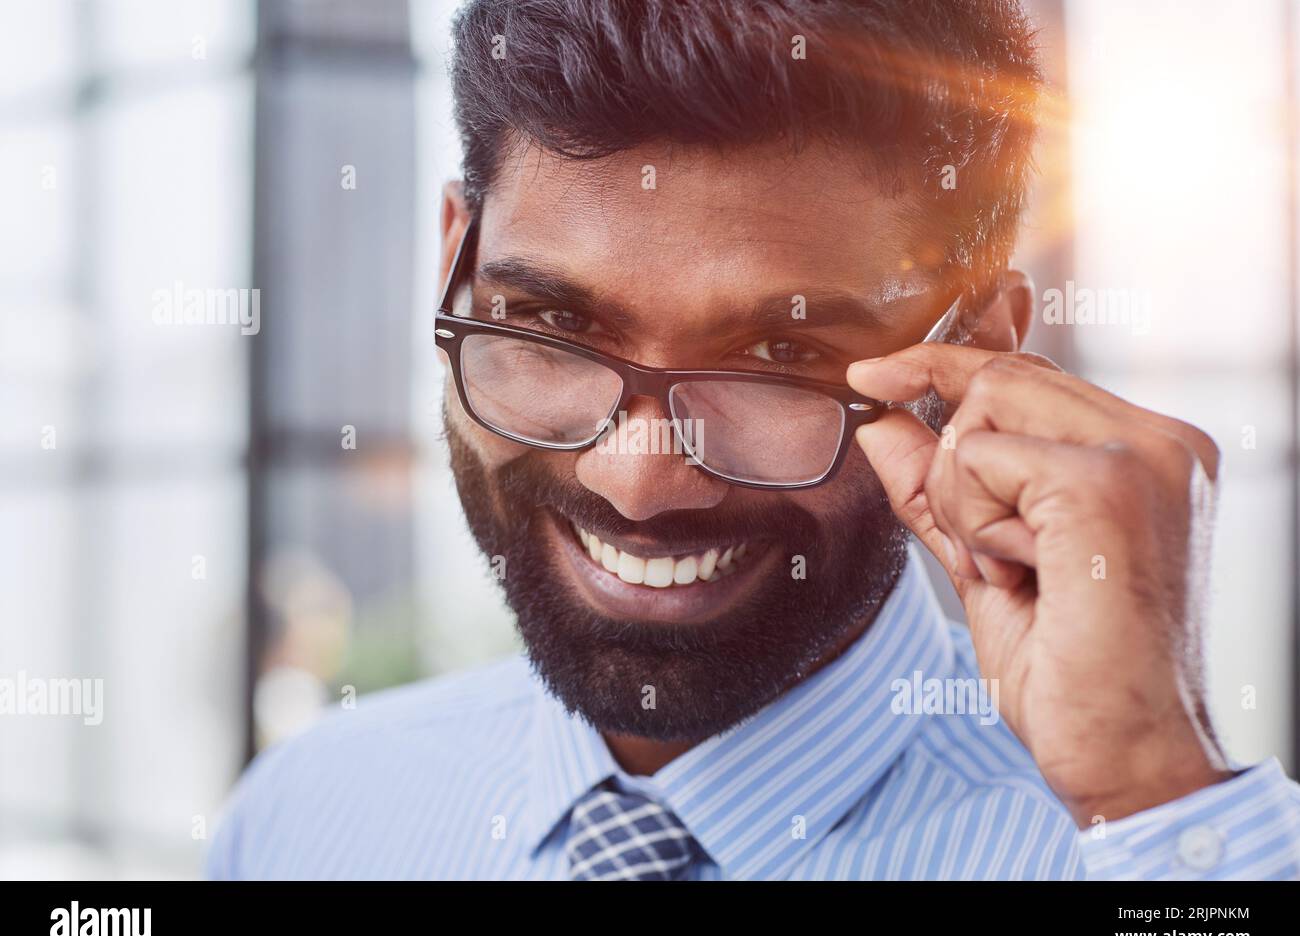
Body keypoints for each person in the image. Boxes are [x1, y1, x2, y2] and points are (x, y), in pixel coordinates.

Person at [209, 0, 1300, 880]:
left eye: (777, 359)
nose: (636, 479)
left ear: (978, 353)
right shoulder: (306, 812)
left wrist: (1158, 795)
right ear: (456, 251)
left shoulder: (1134, 849)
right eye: (551, 325)